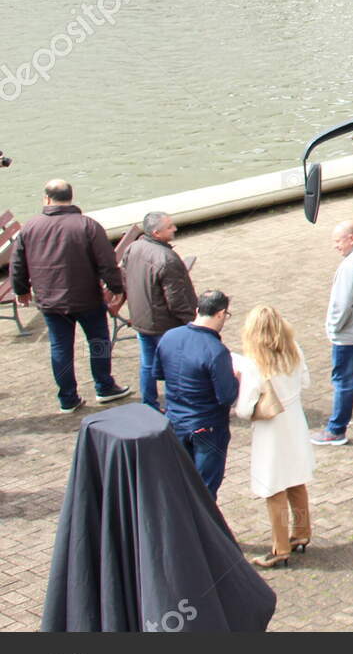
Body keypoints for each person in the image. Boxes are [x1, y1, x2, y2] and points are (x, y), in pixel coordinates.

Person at [10, 179, 131, 412]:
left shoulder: (30, 227)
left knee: (60, 348)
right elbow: (106, 262)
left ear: (46, 199)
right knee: (98, 342)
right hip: (87, 298)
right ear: (71, 197)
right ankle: (104, 386)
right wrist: (116, 288)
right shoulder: (87, 226)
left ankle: (68, 397)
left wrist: (21, 290)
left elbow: (18, 263)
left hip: (50, 301)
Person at [233, 305, 315, 569]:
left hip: (272, 430)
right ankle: (301, 532)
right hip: (294, 421)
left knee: (274, 487)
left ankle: (280, 548)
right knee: (296, 481)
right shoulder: (295, 350)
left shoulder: (255, 364)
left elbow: (245, 409)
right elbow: (305, 383)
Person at [154, 290, 239, 497]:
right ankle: (202, 529)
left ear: (197, 310)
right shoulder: (216, 350)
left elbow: (158, 372)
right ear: (220, 314)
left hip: (175, 423)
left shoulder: (169, 337)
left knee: (179, 486)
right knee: (205, 491)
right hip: (207, 428)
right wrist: (236, 379)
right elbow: (226, 397)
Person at [121, 211, 198, 411]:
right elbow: (176, 300)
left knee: (147, 364)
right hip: (164, 323)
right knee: (175, 367)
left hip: (141, 319)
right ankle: (178, 406)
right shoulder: (167, 258)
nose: (175, 229)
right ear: (156, 233)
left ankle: (149, 404)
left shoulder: (133, 248)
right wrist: (192, 320)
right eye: (170, 226)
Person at [310, 221, 353, 446]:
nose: (335, 246)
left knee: (344, 382)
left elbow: (343, 303)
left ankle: (336, 429)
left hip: (350, 337)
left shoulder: (350, 266)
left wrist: (334, 328)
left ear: (352, 239)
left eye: (338, 241)